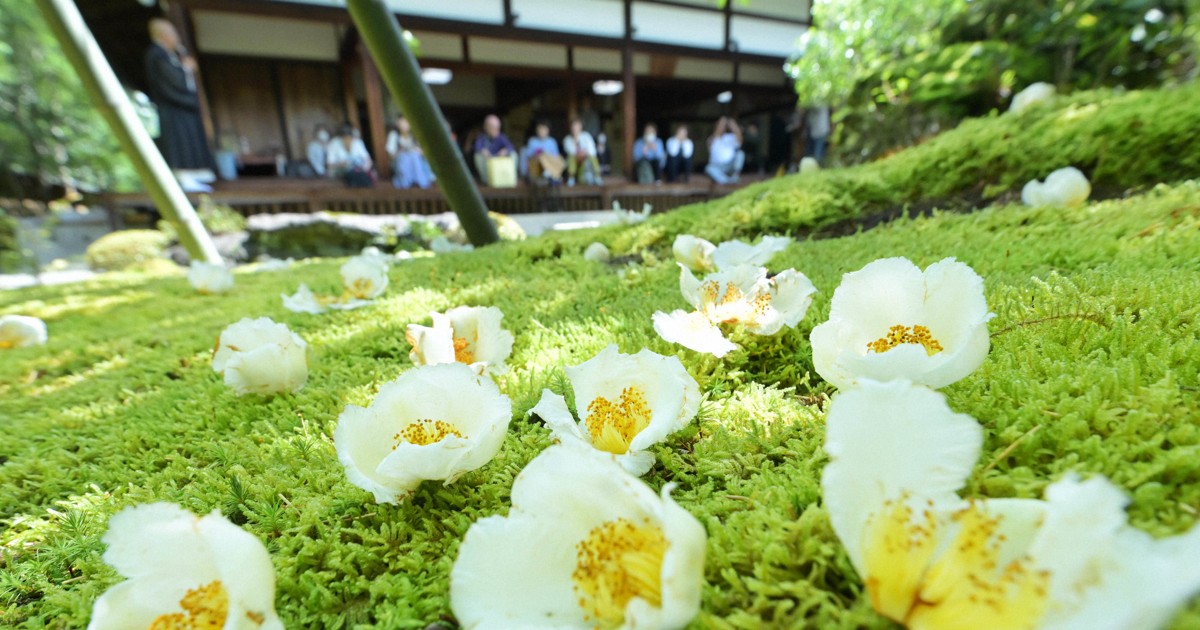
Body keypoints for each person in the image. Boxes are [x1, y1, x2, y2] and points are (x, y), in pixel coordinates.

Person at [144, 18, 213, 191]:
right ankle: (185, 178)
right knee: (180, 142)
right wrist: (186, 69)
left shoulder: (168, 55)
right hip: (174, 108)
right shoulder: (157, 54)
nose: (177, 38)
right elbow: (173, 81)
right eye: (174, 34)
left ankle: (193, 177)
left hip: (181, 108)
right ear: (163, 35)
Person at [386, 115, 433, 189]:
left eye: (406, 122)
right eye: (401, 123)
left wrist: (417, 150)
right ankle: (405, 183)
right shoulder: (394, 135)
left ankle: (421, 182)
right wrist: (400, 150)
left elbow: (424, 152)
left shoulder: (415, 135)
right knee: (405, 158)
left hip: (416, 161)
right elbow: (390, 156)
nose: (404, 125)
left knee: (414, 156)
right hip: (400, 162)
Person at [472, 114, 517, 186]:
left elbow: (510, 146)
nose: (495, 130)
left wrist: (505, 151)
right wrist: (483, 150)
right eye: (492, 127)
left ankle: (511, 177)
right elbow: (477, 147)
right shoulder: (482, 137)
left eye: (497, 128)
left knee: (513, 154)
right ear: (486, 127)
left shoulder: (502, 137)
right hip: (488, 162)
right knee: (478, 156)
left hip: (500, 162)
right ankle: (486, 180)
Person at [705, 116, 744, 184]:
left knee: (740, 154)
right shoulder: (712, 139)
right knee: (708, 168)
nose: (723, 127)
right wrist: (721, 123)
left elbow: (740, 138)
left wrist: (733, 125)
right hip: (716, 166)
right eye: (721, 125)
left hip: (729, 165)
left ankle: (735, 176)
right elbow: (716, 134)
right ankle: (726, 181)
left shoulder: (730, 137)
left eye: (724, 125)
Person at [563, 119, 602, 186]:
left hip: (586, 161)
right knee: (571, 157)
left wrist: (584, 153)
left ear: (581, 126)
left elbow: (592, 150)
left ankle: (597, 176)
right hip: (575, 161)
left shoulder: (586, 136)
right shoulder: (567, 139)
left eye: (577, 126)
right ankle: (571, 178)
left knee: (593, 158)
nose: (575, 128)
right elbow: (570, 151)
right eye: (573, 126)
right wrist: (575, 140)